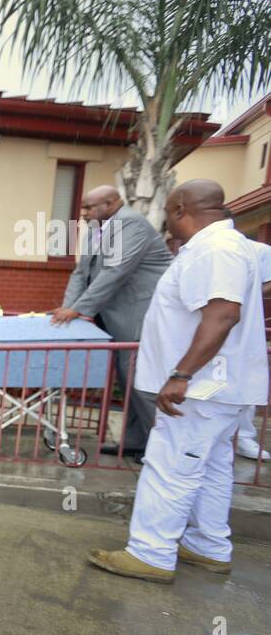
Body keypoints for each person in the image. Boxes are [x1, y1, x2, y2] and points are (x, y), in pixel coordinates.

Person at [89, 180, 268, 584]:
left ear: (181, 209)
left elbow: (222, 314)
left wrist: (182, 374)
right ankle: (208, 546)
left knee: (169, 468)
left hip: (200, 389)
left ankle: (151, 553)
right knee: (213, 468)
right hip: (220, 389)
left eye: (169, 214)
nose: (168, 225)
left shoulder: (215, 249)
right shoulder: (232, 246)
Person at [52, 185, 172, 457]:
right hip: (116, 314)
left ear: (111, 203)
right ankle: (135, 442)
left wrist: (79, 309)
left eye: (89, 207)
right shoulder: (96, 228)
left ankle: (165, 450)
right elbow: (80, 273)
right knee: (127, 380)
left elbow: (115, 271)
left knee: (139, 381)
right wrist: (68, 307)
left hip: (139, 313)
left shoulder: (131, 223)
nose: (82, 213)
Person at [234, 233, 271, 460]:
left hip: (245, 323)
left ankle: (244, 437)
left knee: (246, 379)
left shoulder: (260, 251)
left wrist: (244, 291)